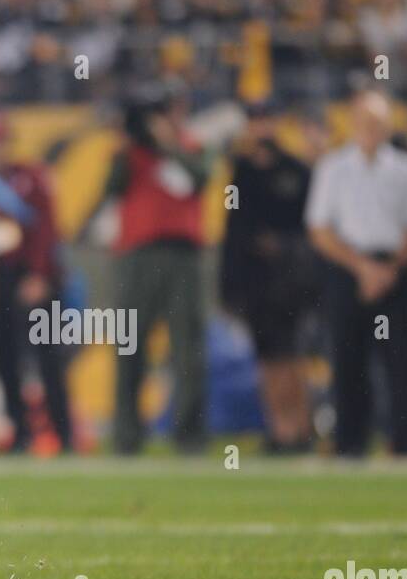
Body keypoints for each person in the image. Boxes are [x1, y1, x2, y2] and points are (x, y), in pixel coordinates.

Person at [306, 91, 407, 456]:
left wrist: (388, 269)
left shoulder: (403, 167)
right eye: (364, 122)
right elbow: (320, 229)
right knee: (347, 358)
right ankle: (351, 441)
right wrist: (363, 268)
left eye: (377, 123)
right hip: (347, 270)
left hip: (394, 270)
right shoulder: (333, 167)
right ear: (352, 124)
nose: (371, 129)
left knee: (402, 358)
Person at [0, 110, 71, 451]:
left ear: (6, 143)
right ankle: (20, 433)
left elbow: (47, 230)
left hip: (36, 280)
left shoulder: (32, 179)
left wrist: (37, 275)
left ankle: (62, 435)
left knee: (50, 359)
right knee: (6, 360)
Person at [106, 90, 209, 455]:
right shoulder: (131, 153)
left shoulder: (192, 146)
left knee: (187, 349)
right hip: (138, 256)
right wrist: (125, 143)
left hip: (184, 256)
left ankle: (190, 437)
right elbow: (111, 188)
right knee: (131, 344)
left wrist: (168, 144)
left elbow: (201, 177)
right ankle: (127, 436)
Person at [220, 101, 317, 452]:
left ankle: (300, 428)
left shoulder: (294, 170)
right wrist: (228, 286)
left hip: (291, 280)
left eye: (265, 120)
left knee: (291, 355)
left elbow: (313, 226)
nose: (259, 127)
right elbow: (233, 233)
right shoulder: (241, 172)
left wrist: (285, 247)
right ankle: (279, 430)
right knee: (266, 358)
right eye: (254, 120)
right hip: (255, 283)